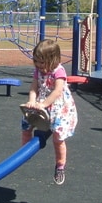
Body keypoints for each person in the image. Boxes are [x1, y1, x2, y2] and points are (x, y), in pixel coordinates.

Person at [21, 39, 78, 185]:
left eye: (42, 62)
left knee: (58, 138)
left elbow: (57, 91)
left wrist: (43, 104)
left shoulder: (58, 71)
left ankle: (60, 166)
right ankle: (24, 152)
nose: (38, 65)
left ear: (52, 60)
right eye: (36, 62)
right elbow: (34, 87)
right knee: (26, 122)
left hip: (58, 106)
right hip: (42, 102)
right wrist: (32, 101)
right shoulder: (37, 71)